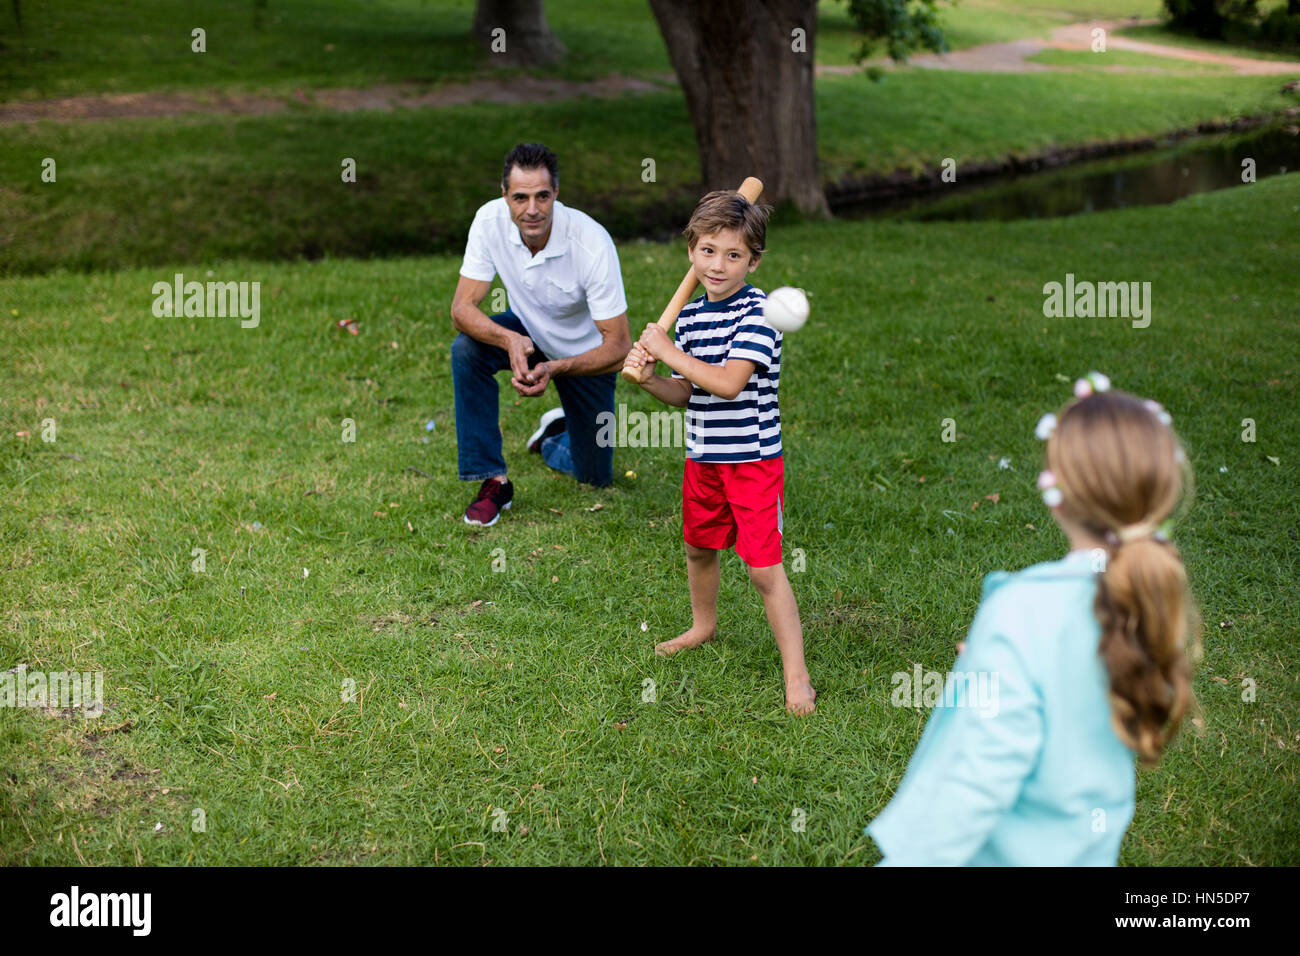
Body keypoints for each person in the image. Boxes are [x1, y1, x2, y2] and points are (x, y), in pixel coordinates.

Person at [866, 374, 1201, 865]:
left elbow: (979, 780)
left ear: (1056, 494)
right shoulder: (1148, 596)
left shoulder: (1024, 611)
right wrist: (994, 661)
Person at [623, 190, 814, 715]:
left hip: (751, 461)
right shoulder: (690, 317)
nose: (718, 265)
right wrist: (652, 380)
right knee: (698, 547)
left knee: (762, 568)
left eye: (734, 255)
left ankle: (796, 675)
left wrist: (667, 352)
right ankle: (703, 626)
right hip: (703, 456)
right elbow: (692, 393)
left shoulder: (761, 313)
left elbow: (729, 384)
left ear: (753, 261)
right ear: (691, 250)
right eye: (708, 250)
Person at [449, 143, 632, 527]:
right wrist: (510, 340)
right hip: (529, 334)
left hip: (587, 358)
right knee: (467, 350)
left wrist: (557, 367)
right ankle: (492, 482)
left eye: (541, 196)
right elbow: (462, 309)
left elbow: (618, 346)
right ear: (505, 196)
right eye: (520, 197)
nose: (531, 209)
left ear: (556, 195)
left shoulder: (591, 242)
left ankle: (555, 434)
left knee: (595, 477)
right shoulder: (488, 221)